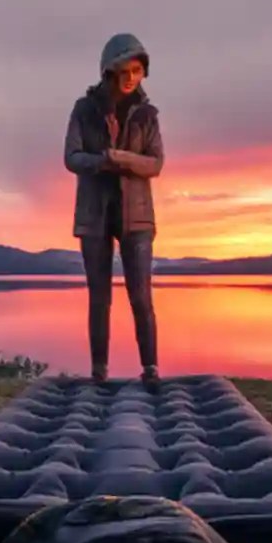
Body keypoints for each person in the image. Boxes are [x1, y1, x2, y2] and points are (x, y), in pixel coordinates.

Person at [63, 33, 164, 391]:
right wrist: (102, 162)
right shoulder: (84, 109)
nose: (131, 76)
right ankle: (98, 371)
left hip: (137, 215)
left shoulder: (148, 114)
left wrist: (123, 159)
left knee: (141, 295)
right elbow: (71, 158)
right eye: (125, 69)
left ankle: (150, 369)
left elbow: (156, 164)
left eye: (137, 70)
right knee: (99, 296)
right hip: (94, 214)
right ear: (109, 70)